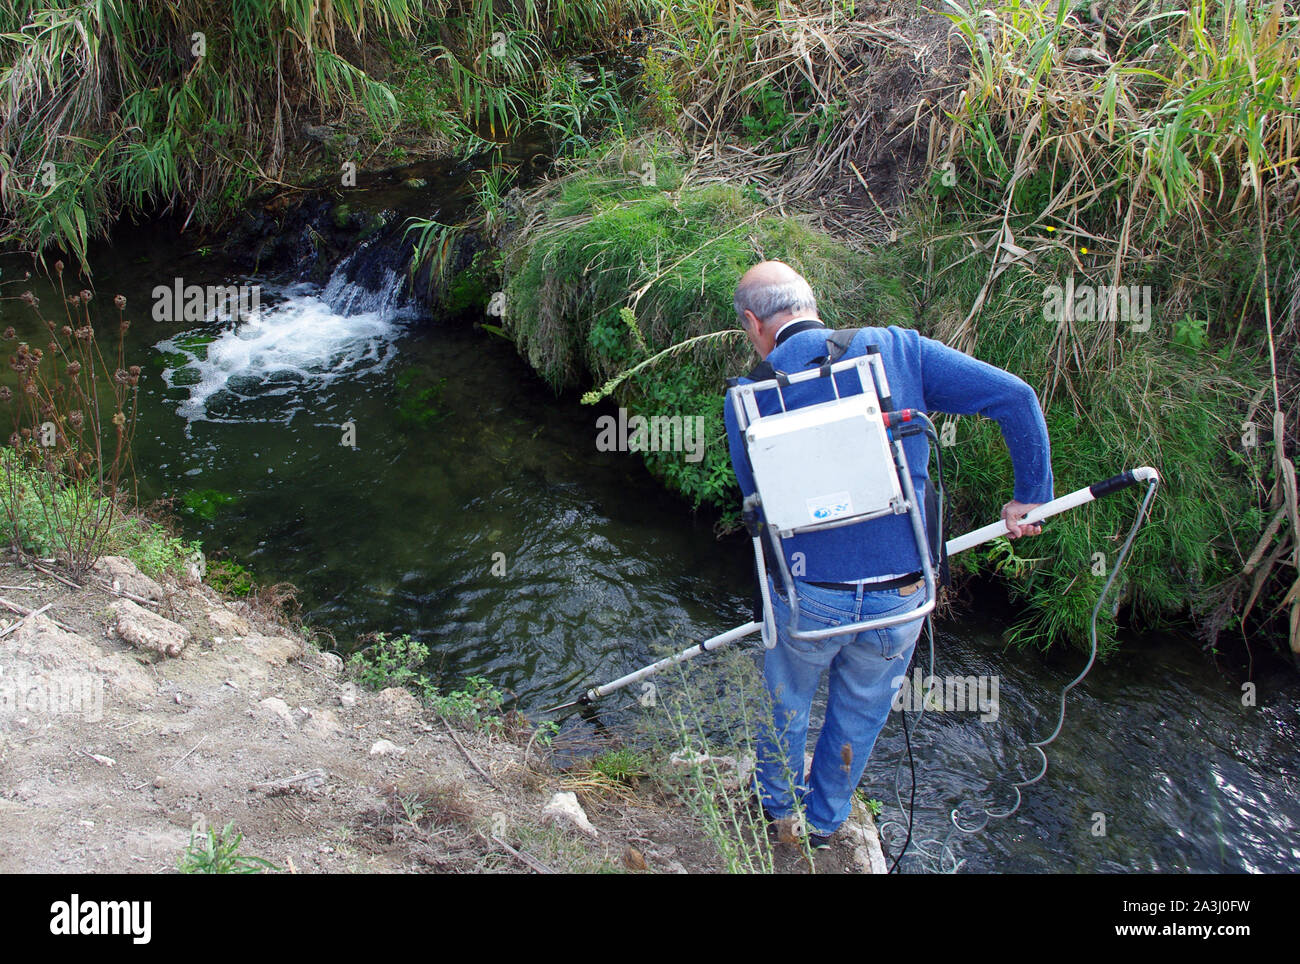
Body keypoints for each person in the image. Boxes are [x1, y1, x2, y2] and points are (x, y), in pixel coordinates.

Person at [724, 260, 1054, 847]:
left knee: (787, 700)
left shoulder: (748, 396)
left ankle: (773, 809)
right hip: (901, 594)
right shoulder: (897, 349)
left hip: (808, 596)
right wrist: (1031, 497)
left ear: (754, 322)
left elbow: (760, 503)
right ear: (810, 302)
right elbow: (1016, 397)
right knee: (860, 713)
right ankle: (824, 825)